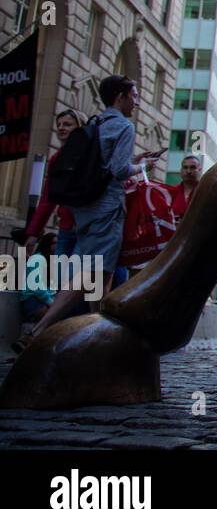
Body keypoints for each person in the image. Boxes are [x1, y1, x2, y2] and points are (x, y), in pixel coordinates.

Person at [17, 76, 159, 351]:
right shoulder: (124, 127)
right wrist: (142, 168)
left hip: (84, 209)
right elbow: (118, 171)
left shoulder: (96, 122)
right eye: (135, 95)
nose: (137, 101)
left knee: (96, 274)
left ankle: (98, 335)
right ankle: (39, 331)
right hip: (107, 207)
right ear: (120, 96)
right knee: (90, 275)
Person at [22, 109, 85, 258]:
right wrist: (33, 233)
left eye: (68, 124)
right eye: (59, 125)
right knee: (61, 277)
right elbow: (47, 199)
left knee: (81, 278)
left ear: (80, 127)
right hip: (67, 228)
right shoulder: (56, 159)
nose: (61, 128)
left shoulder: (90, 154)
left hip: (88, 229)